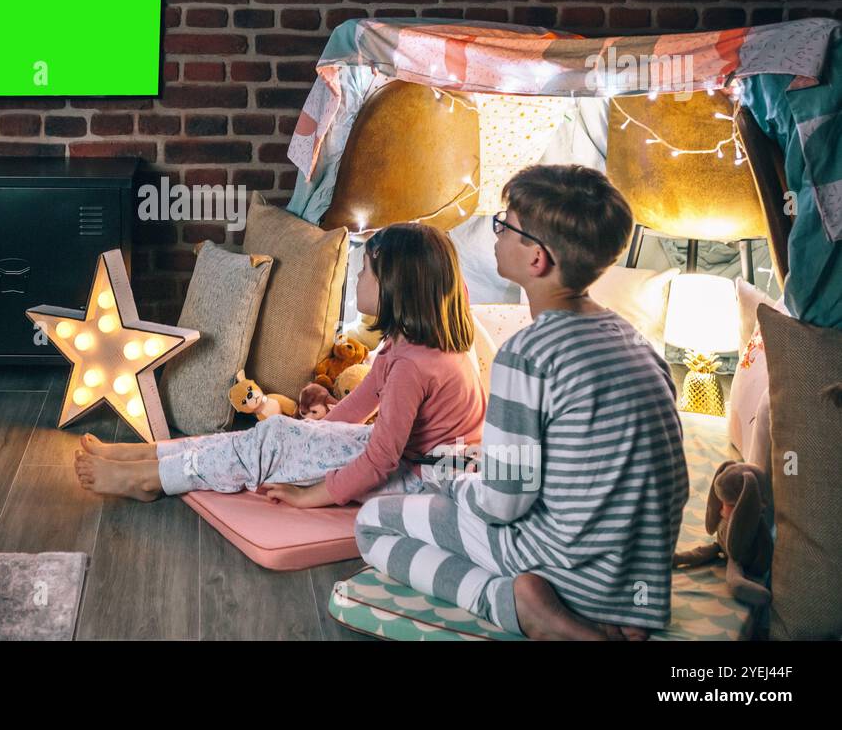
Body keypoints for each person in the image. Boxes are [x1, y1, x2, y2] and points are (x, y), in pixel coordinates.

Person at [355, 164, 689, 640]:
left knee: (372, 522)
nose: (495, 234)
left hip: (566, 570)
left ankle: (522, 607)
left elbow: (503, 503)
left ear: (537, 259)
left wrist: (457, 484)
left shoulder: (526, 355)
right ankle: (605, 611)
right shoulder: (635, 341)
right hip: (639, 589)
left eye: (504, 224)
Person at [74, 222, 485, 508]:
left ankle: (152, 479)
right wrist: (310, 434)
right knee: (276, 432)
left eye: (365, 274)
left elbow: (381, 459)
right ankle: (151, 457)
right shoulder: (411, 343)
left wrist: (314, 494)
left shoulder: (414, 365)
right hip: (414, 464)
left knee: (270, 444)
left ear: (397, 288)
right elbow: (359, 405)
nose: (358, 281)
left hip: (422, 481)